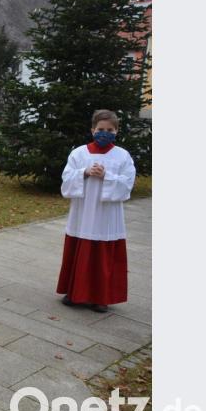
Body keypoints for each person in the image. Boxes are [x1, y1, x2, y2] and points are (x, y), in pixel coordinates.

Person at [57, 110, 136, 312]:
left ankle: (101, 297)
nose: (104, 133)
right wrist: (84, 172)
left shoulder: (122, 156)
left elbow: (128, 184)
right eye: (101, 129)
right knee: (80, 249)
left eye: (110, 130)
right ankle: (75, 292)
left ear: (116, 131)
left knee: (102, 253)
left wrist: (106, 176)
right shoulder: (79, 153)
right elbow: (66, 179)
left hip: (106, 214)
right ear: (92, 130)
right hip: (83, 212)